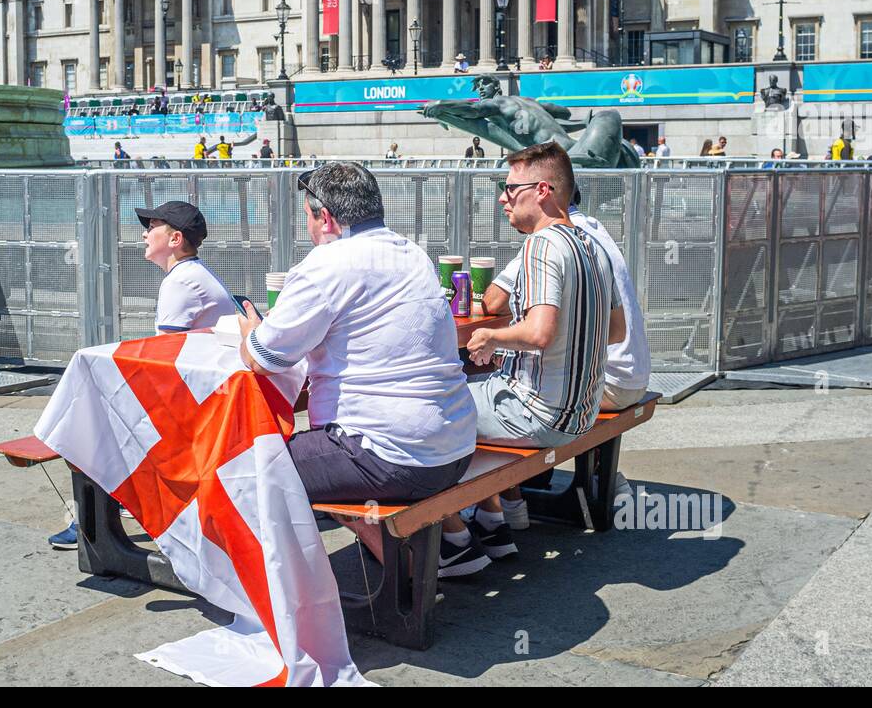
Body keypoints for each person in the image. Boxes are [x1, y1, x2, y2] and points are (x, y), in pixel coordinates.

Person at [238, 164, 479, 574]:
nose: (309, 228)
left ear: (325, 217)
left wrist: (250, 330)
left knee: (250, 464)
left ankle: (403, 575)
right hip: (455, 448)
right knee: (326, 452)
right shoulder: (411, 252)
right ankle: (452, 545)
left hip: (390, 459)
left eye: (309, 217)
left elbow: (261, 359)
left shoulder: (327, 264)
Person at [462, 143, 624, 564]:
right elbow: (616, 329)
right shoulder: (593, 246)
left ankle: (451, 540)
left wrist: (491, 340)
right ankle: (493, 519)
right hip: (581, 415)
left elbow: (539, 333)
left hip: (537, 414)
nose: (502, 197)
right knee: (464, 397)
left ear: (543, 190)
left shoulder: (542, 245)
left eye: (510, 188)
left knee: (422, 408)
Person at [49, 201, 238, 550]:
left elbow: (164, 366)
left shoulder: (180, 283)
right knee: (103, 412)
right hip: (211, 402)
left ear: (175, 238)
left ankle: (91, 524)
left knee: (91, 420)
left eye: (152, 227)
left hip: (197, 412)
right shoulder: (193, 275)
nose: (144, 234)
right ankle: (111, 505)